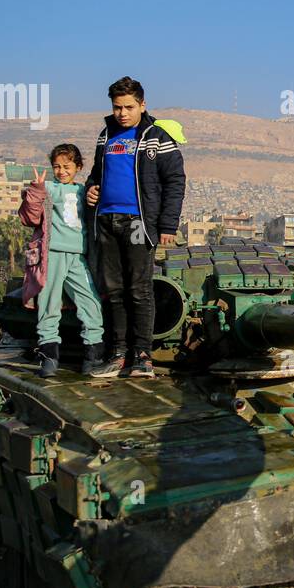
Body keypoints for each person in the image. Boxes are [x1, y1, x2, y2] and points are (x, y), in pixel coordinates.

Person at [84, 77, 187, 378]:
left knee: (139, 290)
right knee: (113, 291)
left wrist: (168, 225)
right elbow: (95, 174)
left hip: (138, 224)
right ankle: (117, 355)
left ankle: (142, 357)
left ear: (142, 105)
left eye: (129, 107)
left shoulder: (157, 137)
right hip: (106, 222)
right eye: (117, 107)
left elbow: (175, 181)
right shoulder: (105, 136)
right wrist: (91, 188)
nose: (122, 113)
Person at [20, 145, 122, 379]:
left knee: (91, 302)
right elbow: (29, 216)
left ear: (78, 167)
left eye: (67, 166)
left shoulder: (84, 191)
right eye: (57, 166)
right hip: (52, 254)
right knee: (48, 304)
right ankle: (49, 355)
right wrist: (36, 190)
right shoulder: (48, 189)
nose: (62, 171)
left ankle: (93, 354)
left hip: (78, 255)